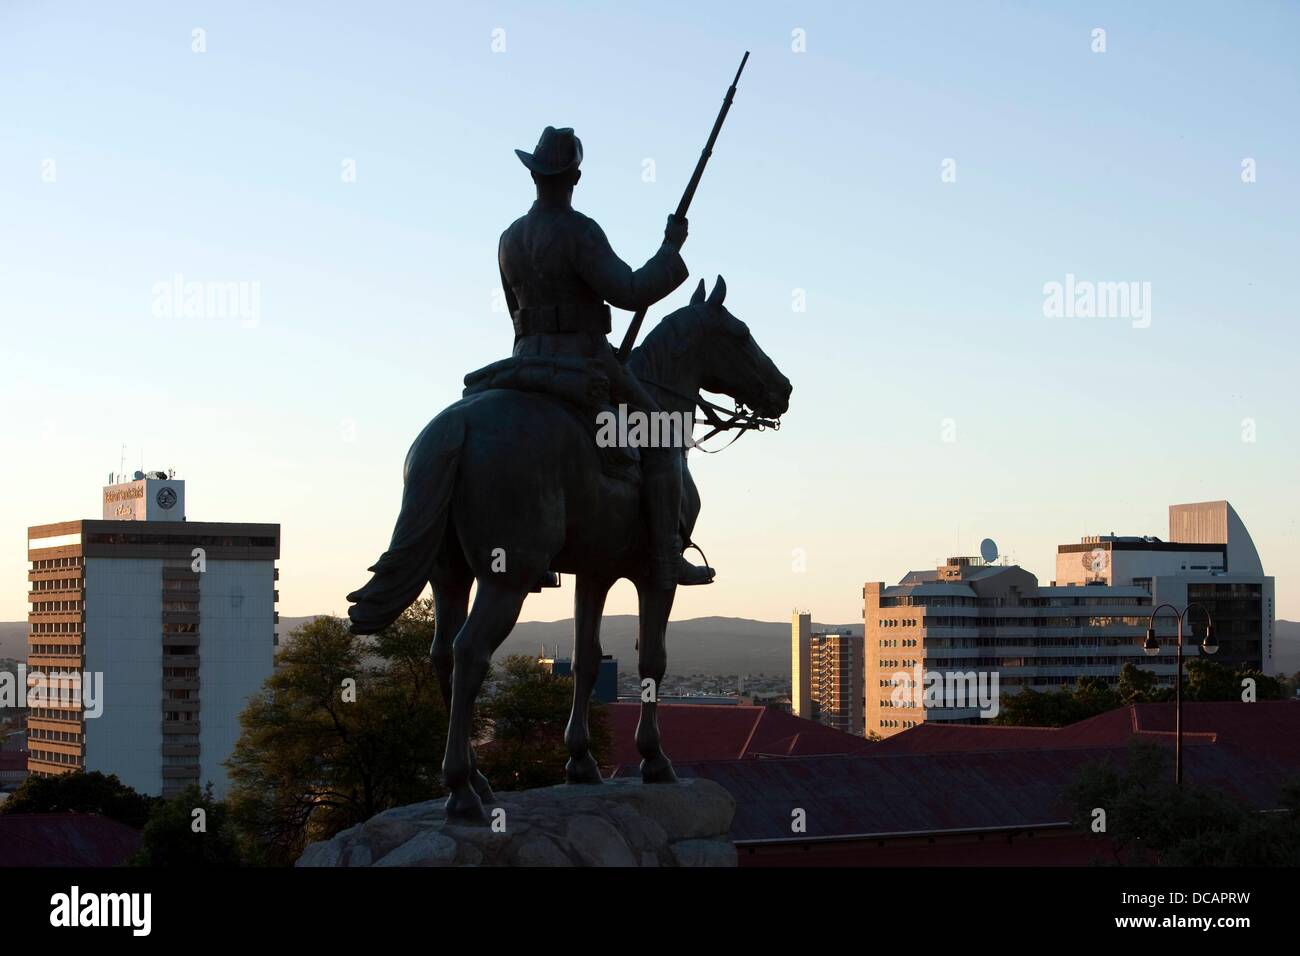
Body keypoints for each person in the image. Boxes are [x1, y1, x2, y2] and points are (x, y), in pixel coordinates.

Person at [498, 126, 714, 589]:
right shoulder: (579, 231)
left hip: (522, 366)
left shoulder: (509, 238)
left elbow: (515, 309)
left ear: (535, 175)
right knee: (663, 435)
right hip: (583, 365)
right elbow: (631, 291)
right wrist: (671, 247)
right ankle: (666, 555)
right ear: (574, 177)